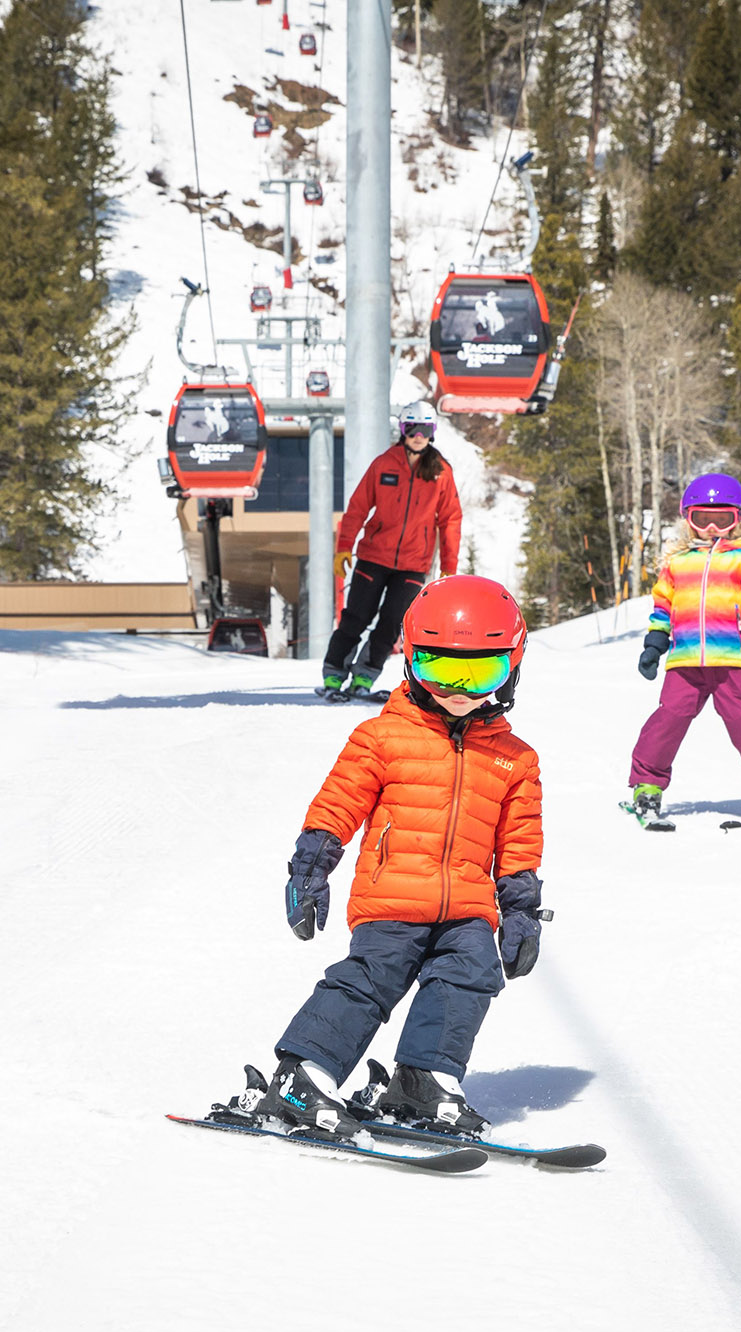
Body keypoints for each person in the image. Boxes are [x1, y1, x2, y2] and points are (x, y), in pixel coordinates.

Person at [233, 575, 545, 1140]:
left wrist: (521, 910)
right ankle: (302, 1076)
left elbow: (519, 840)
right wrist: (310, 868)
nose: (458, 689)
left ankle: (425, 1080)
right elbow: (336, 805)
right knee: (371, 980)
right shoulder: (380, 737)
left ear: (512, 667)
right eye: (439, 669)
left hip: (468, 906)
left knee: (471, 975)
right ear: (411, 662)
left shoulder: (516, 759)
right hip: (392, 897)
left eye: (480, 673)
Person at [627, 473, 741, 819]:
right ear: (688, 520)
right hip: (685, 660)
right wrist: (654, 645)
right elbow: (663, 608)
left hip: (734, 658)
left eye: (722, 520)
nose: (712, 528)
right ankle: (646, 785)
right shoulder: (677, 562)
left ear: (739, 519)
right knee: (667, 720)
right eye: (702, 519)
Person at [320, 401, 462, 700]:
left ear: (432, 432)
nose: (418, 436)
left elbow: (450, 519)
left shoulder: (441, 472)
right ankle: (334, 674)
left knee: (391, 625)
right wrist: (344, 547)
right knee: (356, 618)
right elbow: (357, 508)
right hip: (374, 556)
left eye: (424, 429)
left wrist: (449, 565)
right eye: (412, 428)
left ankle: (364, 677)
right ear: (403, 429)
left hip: (414, 564)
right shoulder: (384, 464)